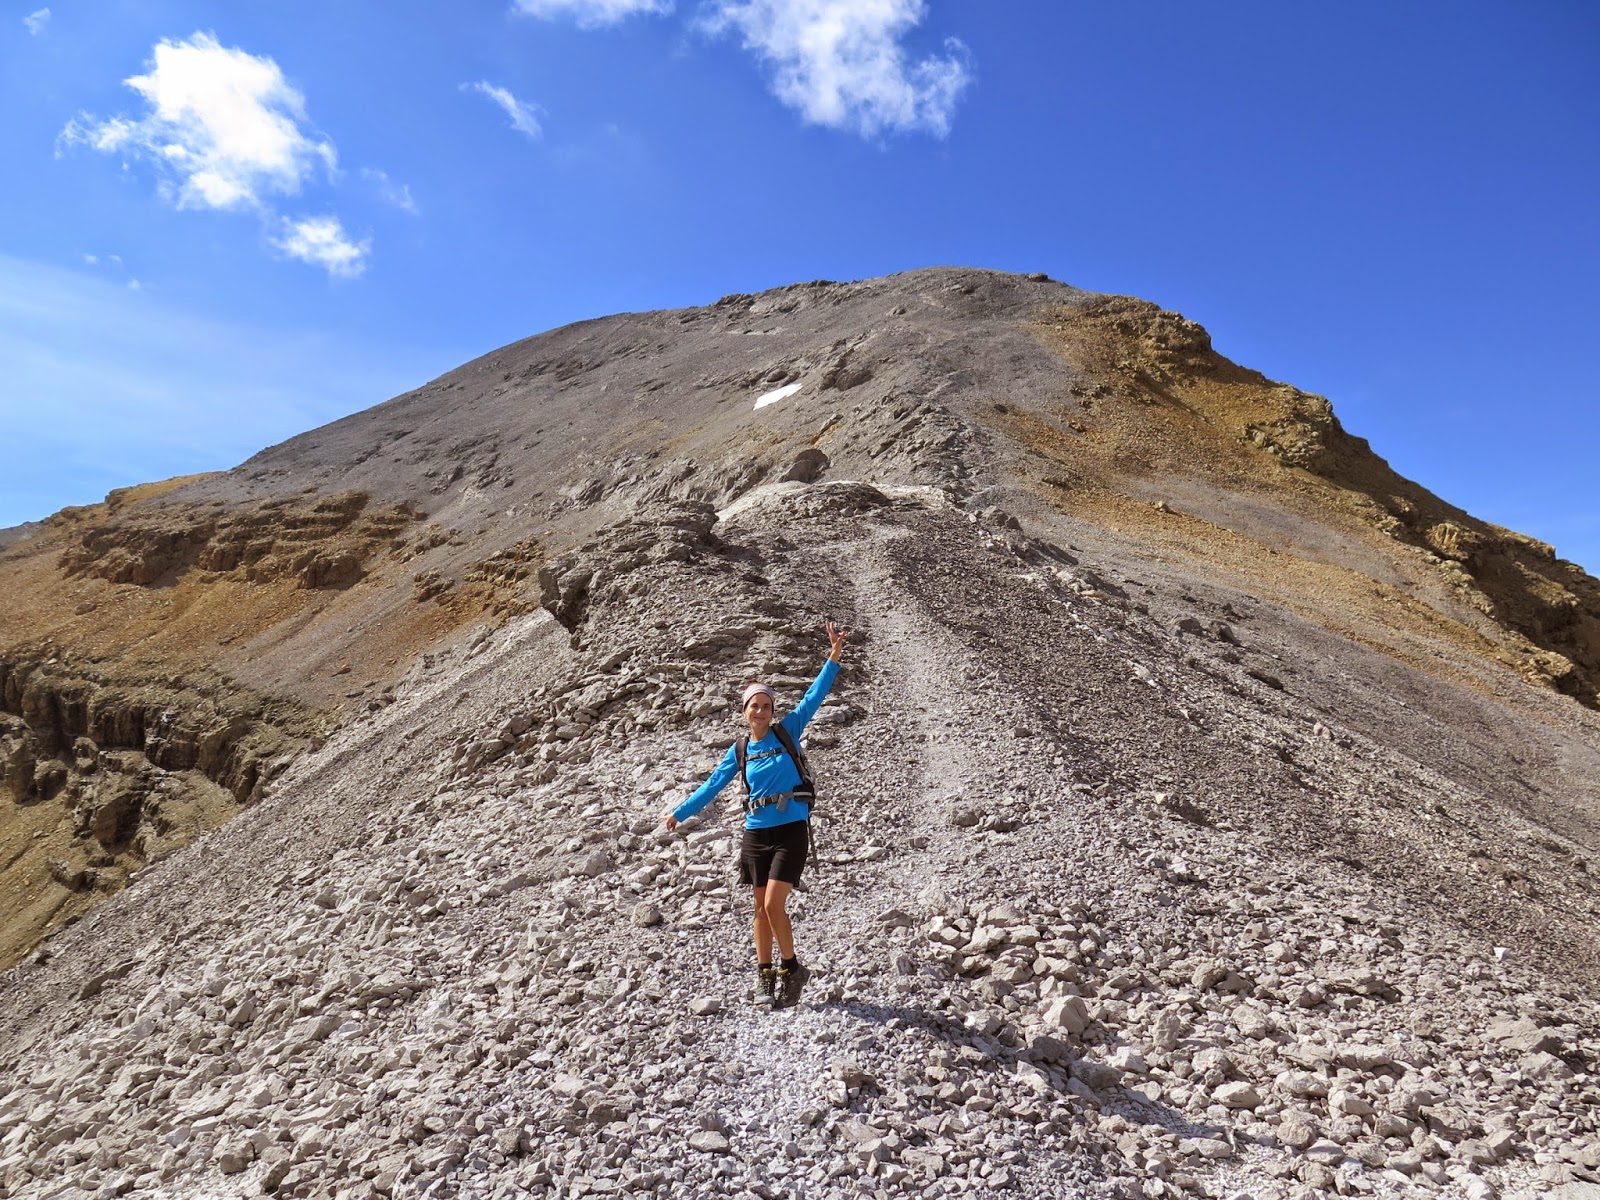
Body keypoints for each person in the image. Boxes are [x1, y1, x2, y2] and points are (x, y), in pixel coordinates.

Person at [664, 620, 849, 1009]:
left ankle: (791, 968)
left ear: (772, 711)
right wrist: (680, 813)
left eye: (766, 706)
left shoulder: (788, 731)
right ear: (745, 712)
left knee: (772, 906)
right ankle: (764, 977)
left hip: (791, 830)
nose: (761, 711)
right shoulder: (740, 750)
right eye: (755, 706)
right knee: (759, 911)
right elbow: (713, 784)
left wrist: (833, 655)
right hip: (755, 834)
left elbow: (813, 697)